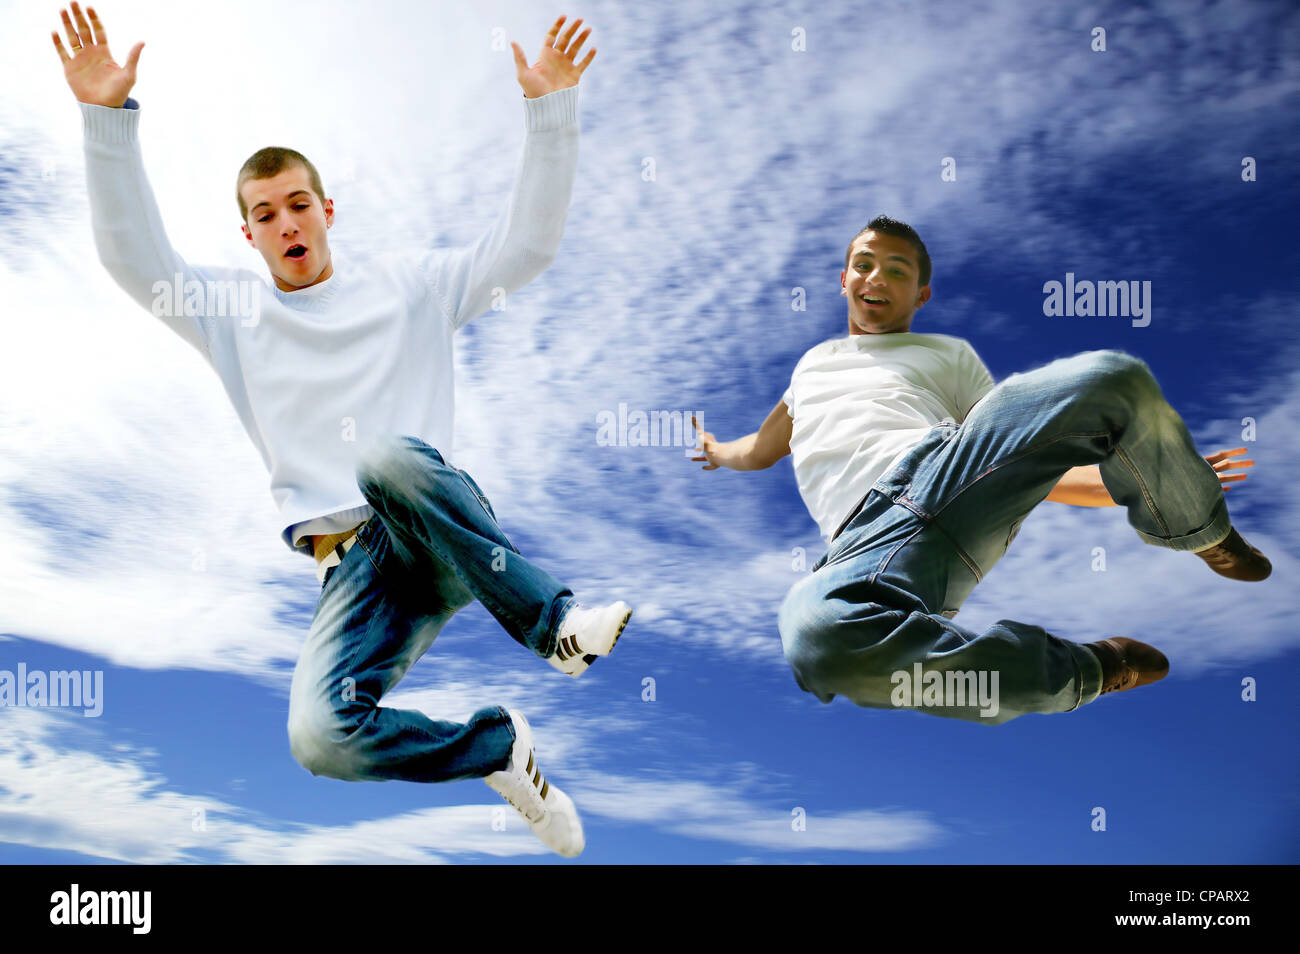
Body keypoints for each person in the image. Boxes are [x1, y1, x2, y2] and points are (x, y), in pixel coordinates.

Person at [54, 2, 631, 857]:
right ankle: (496, 752)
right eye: (267, 213)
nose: (287, 224)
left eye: (299, 205)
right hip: (355, 579)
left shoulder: (413, 286)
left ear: (329, 209)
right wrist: (105, 120)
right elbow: (135, 261)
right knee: (319, 737)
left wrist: (550, 114)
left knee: (381, 454)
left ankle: (555, 628)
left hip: (436, 526)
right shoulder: (230, 315)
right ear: (246, 233)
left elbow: (526, 248)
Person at [692, 215, 1269, 726]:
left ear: (921, 294)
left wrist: (1160, 478)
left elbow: (1021, 456)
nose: (876, 278)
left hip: (944, 471)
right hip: (866, 547)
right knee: (814, 637)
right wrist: (717, 451)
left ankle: (1201, 530)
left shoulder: (947, 355)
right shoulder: (811, 367)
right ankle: (1093, 668)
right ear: (844, 280)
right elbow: (762, 450)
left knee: (1113, 380)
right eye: (863, 265)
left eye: (897, 271)